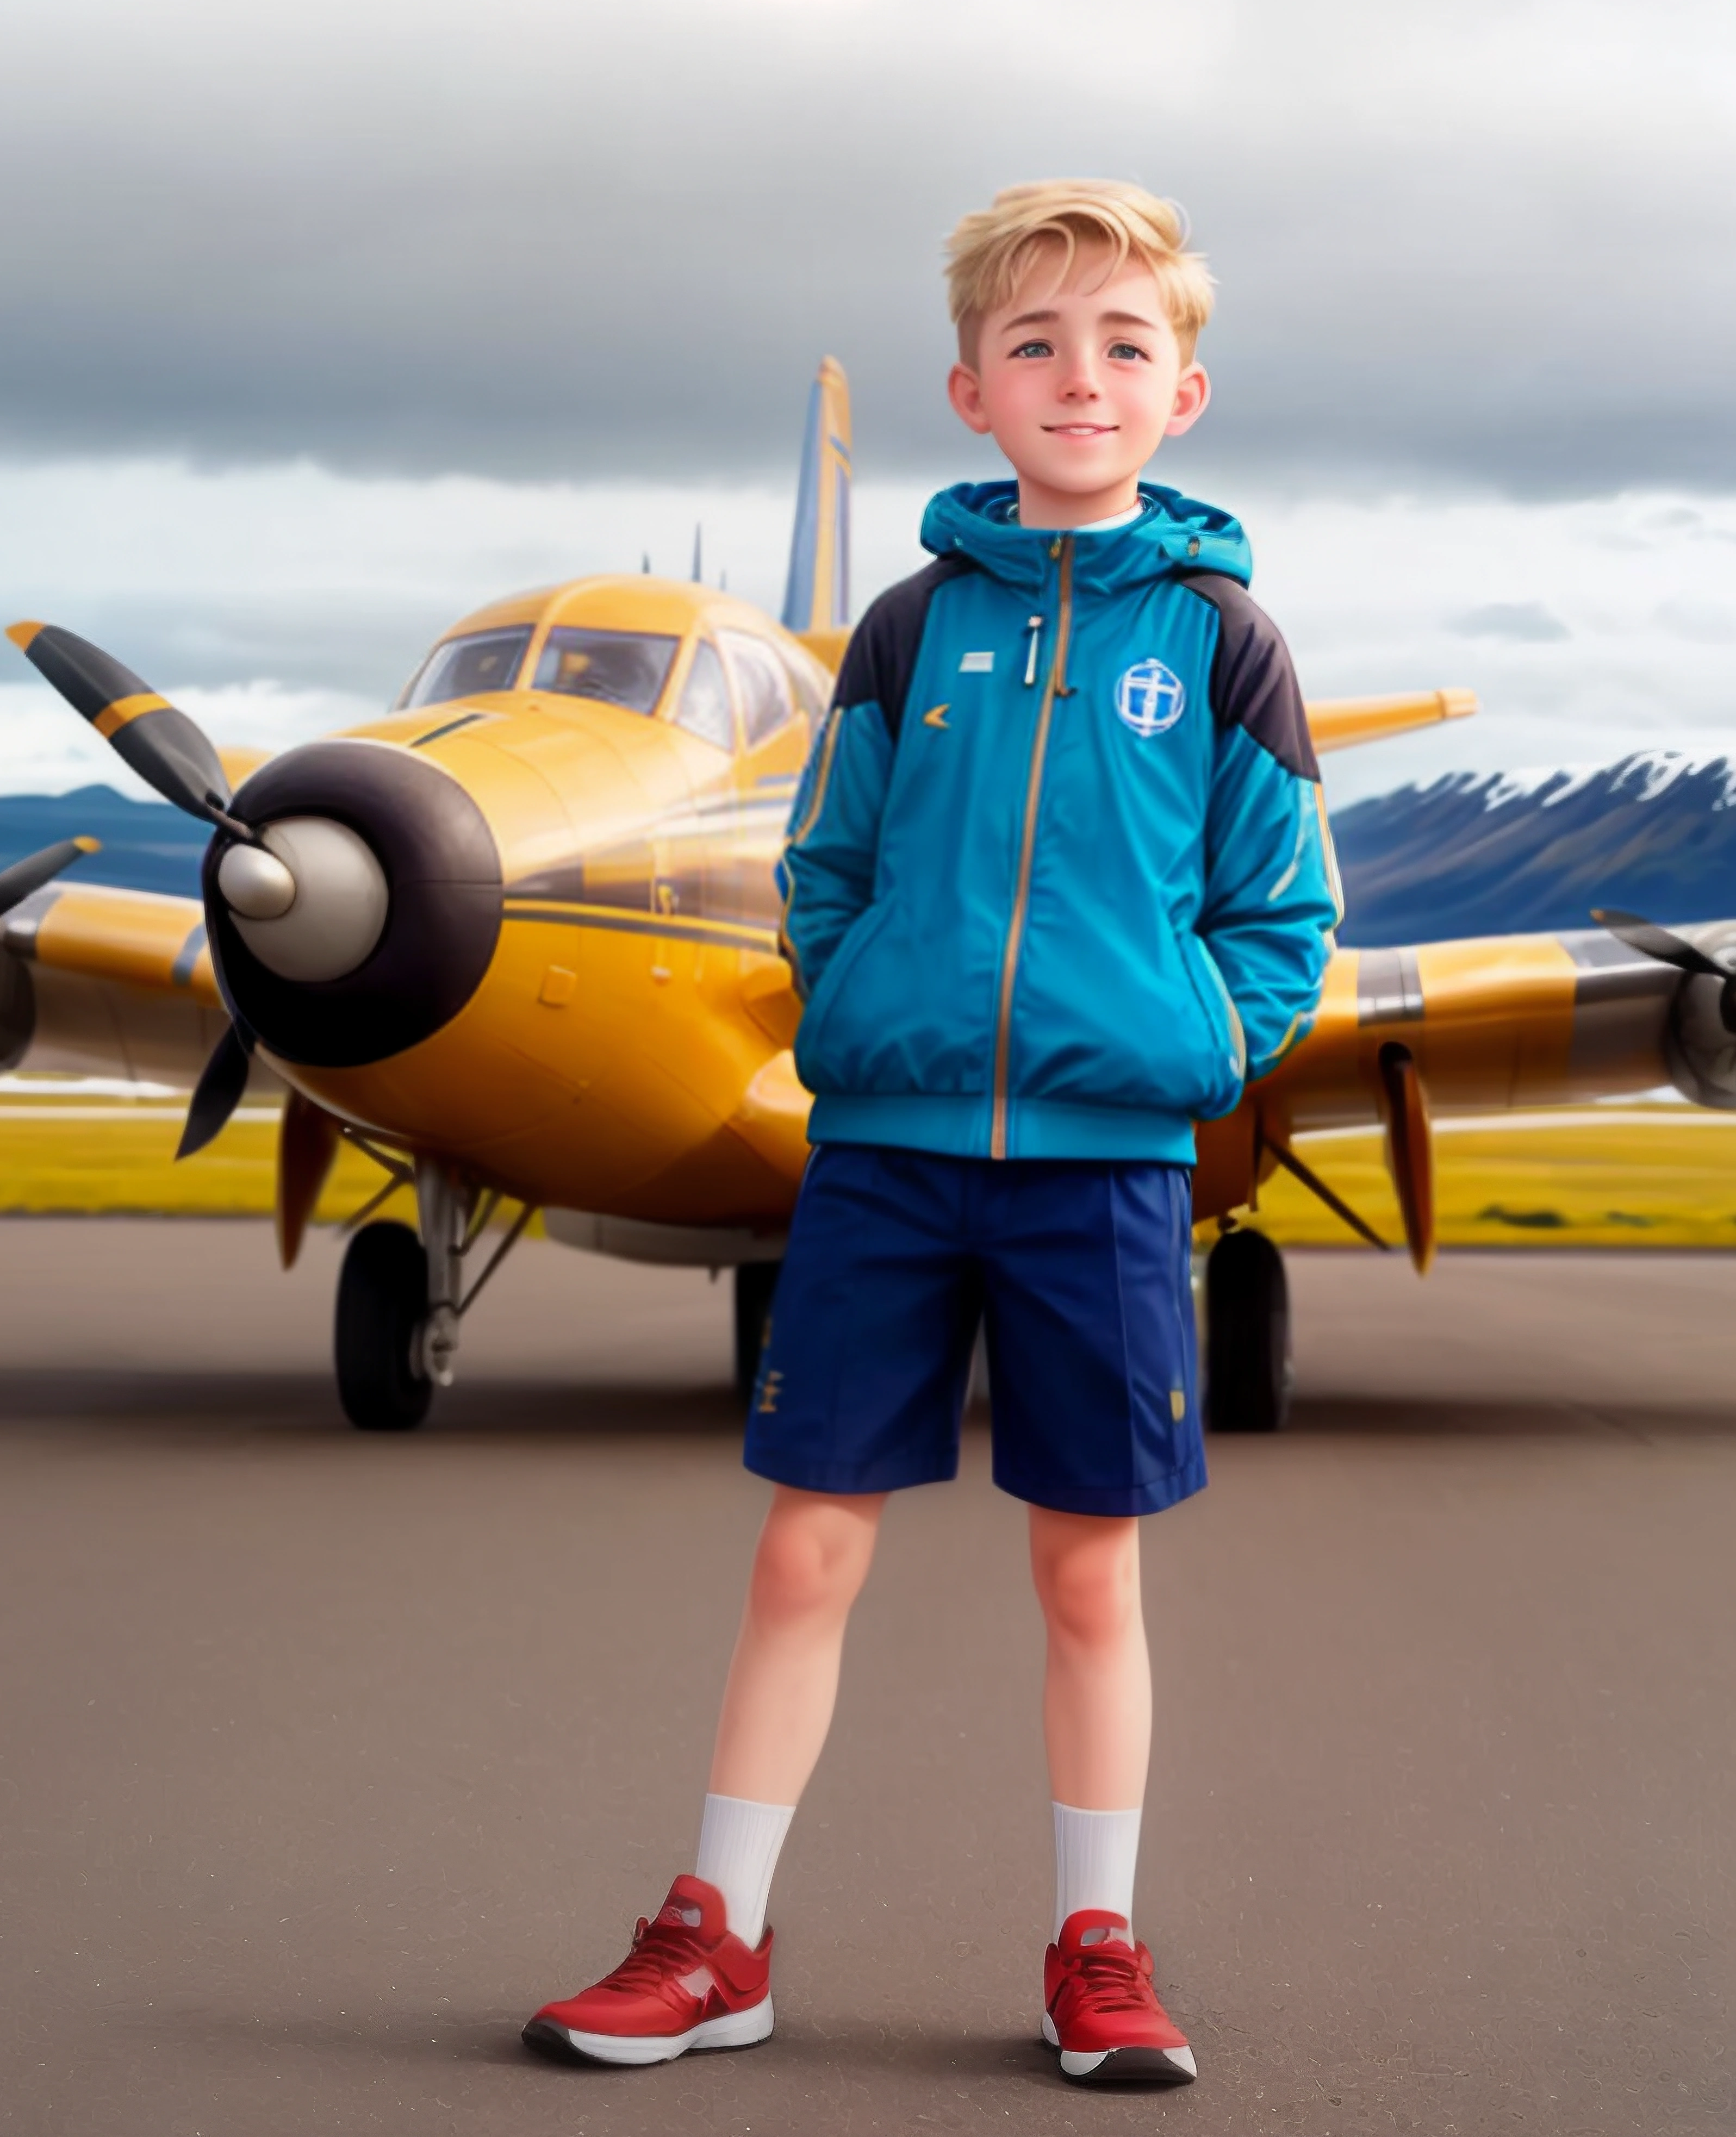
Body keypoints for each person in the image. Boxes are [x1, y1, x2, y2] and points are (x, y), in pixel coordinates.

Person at [524, 180, 1340, 2089]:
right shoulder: (906, 631)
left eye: (1124, 344)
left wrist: (1188, 1046)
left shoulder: (1228, 647)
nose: (1081, 376)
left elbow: (1283, 918)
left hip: (1108, 1174)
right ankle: (715, 1937)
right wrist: (862, 1003)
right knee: (805, 1552)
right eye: (1036, 344)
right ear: (970, 390)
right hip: (887, 1159)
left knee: (1088, 1575)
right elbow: (823, 864)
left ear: (1185, 394)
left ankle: (1097, 1949)